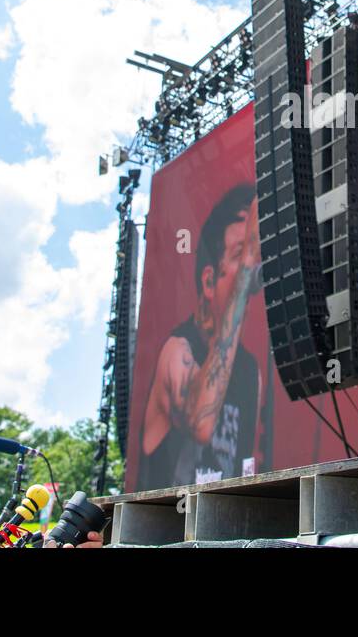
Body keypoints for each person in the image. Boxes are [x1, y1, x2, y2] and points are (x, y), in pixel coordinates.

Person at [139, 184, 264, 489]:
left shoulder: (250, 372)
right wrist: (248, 263)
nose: (250, 267)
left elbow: (249, 466)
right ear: (209, 281)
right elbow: (201, 424)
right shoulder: (177, 351)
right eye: (240, 254)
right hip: (169, 516)